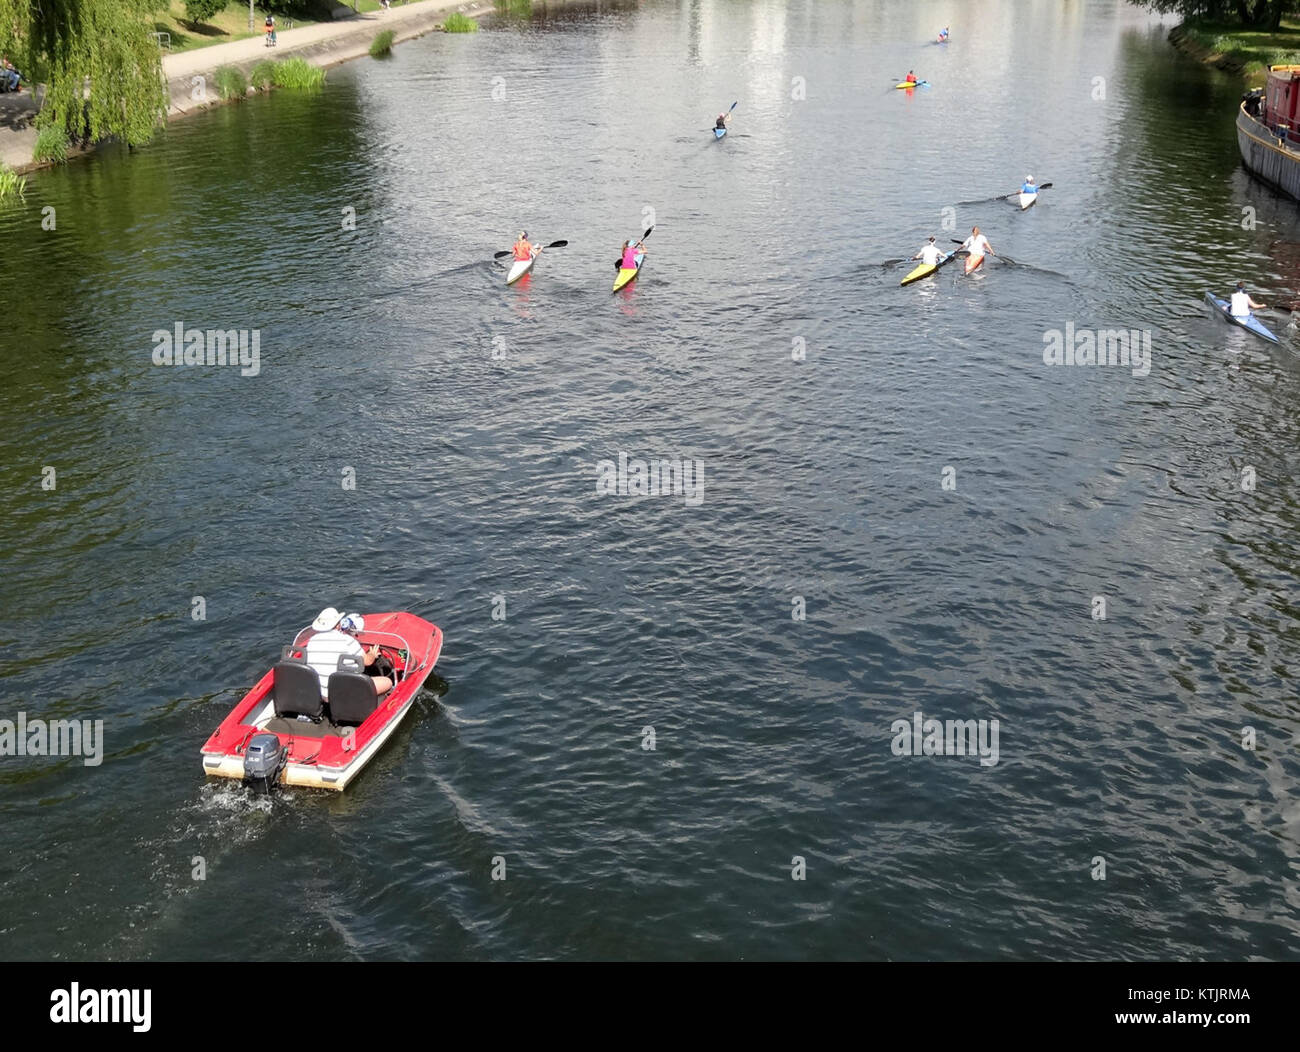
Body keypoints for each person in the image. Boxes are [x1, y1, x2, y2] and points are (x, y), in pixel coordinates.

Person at [304, 607, 393, 702]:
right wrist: (372, 654)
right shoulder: (347, 640)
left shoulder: (312, 641)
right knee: (387, 682)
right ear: (338, 625)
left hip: (320, 693)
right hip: (343, 693)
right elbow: (367, 662)